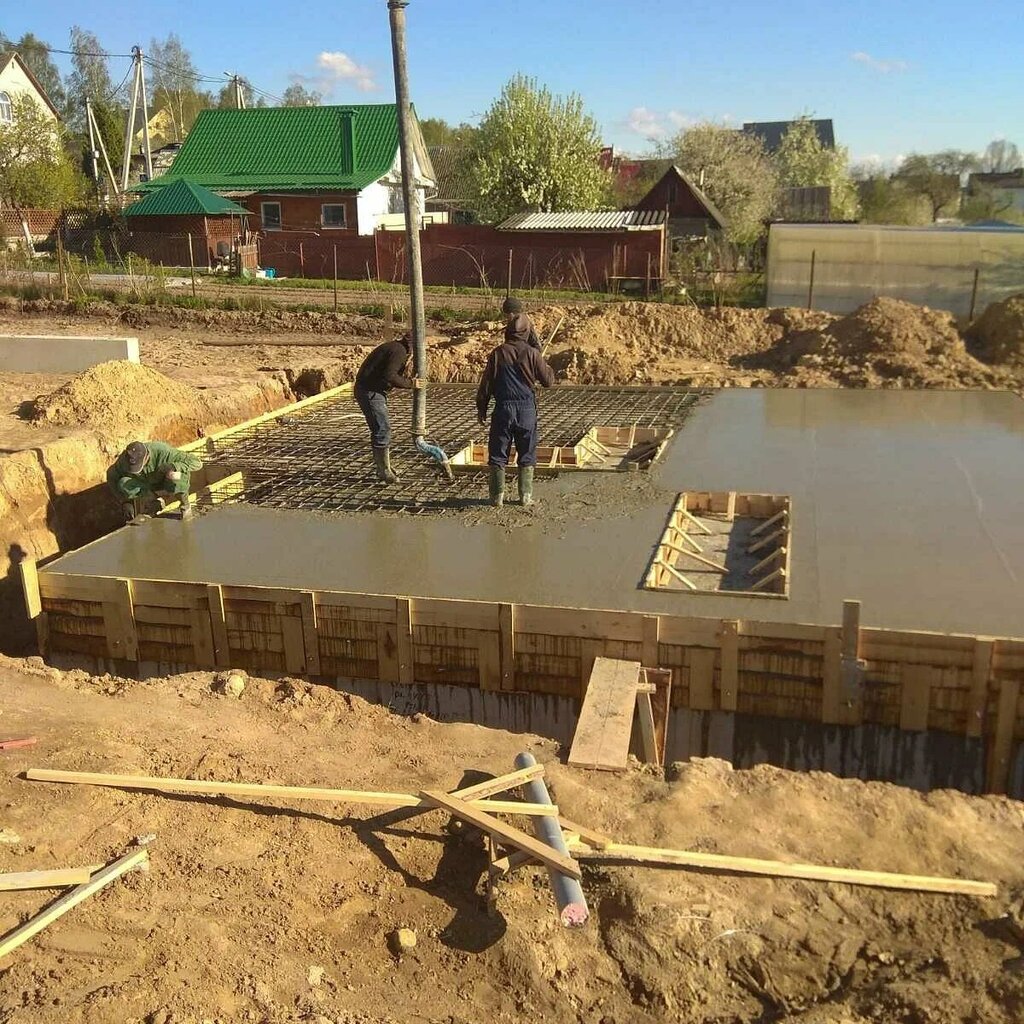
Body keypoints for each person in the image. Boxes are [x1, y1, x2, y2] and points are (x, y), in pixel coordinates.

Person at [476, 309, 555, 508]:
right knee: (527, 452)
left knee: (498, 452)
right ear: (527, 332)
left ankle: (496, 498)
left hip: (503, 409)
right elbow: (548, 382)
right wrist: (538, 354)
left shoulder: (498, 353)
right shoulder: (532, 353)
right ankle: (525, 497)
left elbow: (486, 384)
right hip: (526, 410)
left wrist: (481, 408)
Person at [354, 332, 423, 485]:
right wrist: (411, 384)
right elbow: (389, 376)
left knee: (380, 428)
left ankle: (384, 467)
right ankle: (383, 470)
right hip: (370, 391)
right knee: (382, 429)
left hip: (370, 389)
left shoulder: (395, 348)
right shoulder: (399, 351)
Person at [107, 440, 203, 523]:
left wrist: (174, 466)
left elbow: (197, 462)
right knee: (124, 483)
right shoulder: (125, 460)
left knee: (175, 476)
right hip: (149, 484)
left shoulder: (164, 452)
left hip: (167, 480)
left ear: (146, 457)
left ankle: (185, 505)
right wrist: (124, 501)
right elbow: (111, 476)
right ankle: (155, 503)